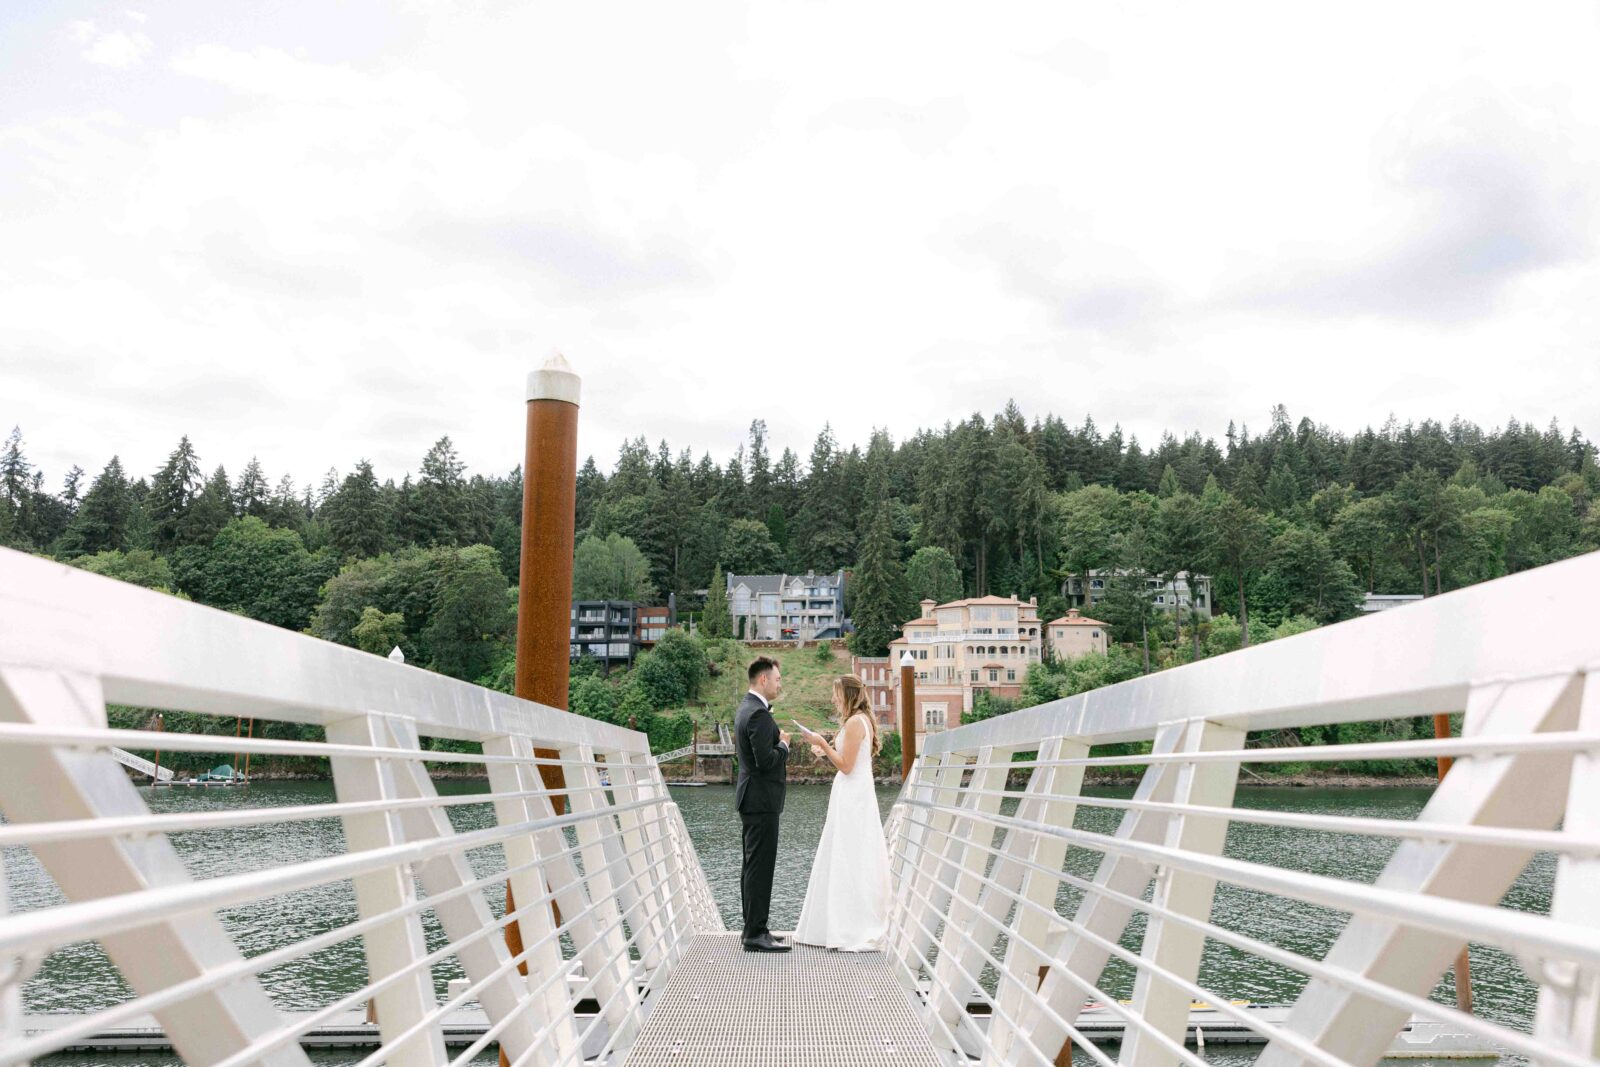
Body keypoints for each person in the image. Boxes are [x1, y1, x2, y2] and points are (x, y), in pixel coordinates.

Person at [791, 674, 891, 951]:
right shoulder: (858, 721)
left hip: (853, 795)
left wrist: (823, 744)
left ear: (847, 694)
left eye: (836, 693)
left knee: (848, 854)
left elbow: (846, 765)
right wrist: (825, 749)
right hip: (851, 793)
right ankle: (838, 922)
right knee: (845, 853)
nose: (833, 699)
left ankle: (849, 925)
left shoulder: (855, 722)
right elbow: (848, 757)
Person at [734, 656, 792, 952]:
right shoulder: (758, 714)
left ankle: (755, 929)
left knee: (752, 867)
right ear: (764, 680)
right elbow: (765, 761)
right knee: (759, 868)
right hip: (760, 800)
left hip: (753, 799)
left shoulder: (748, 708)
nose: (780, 684)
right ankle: (755, 934)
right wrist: (783, 745)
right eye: (778, 679)